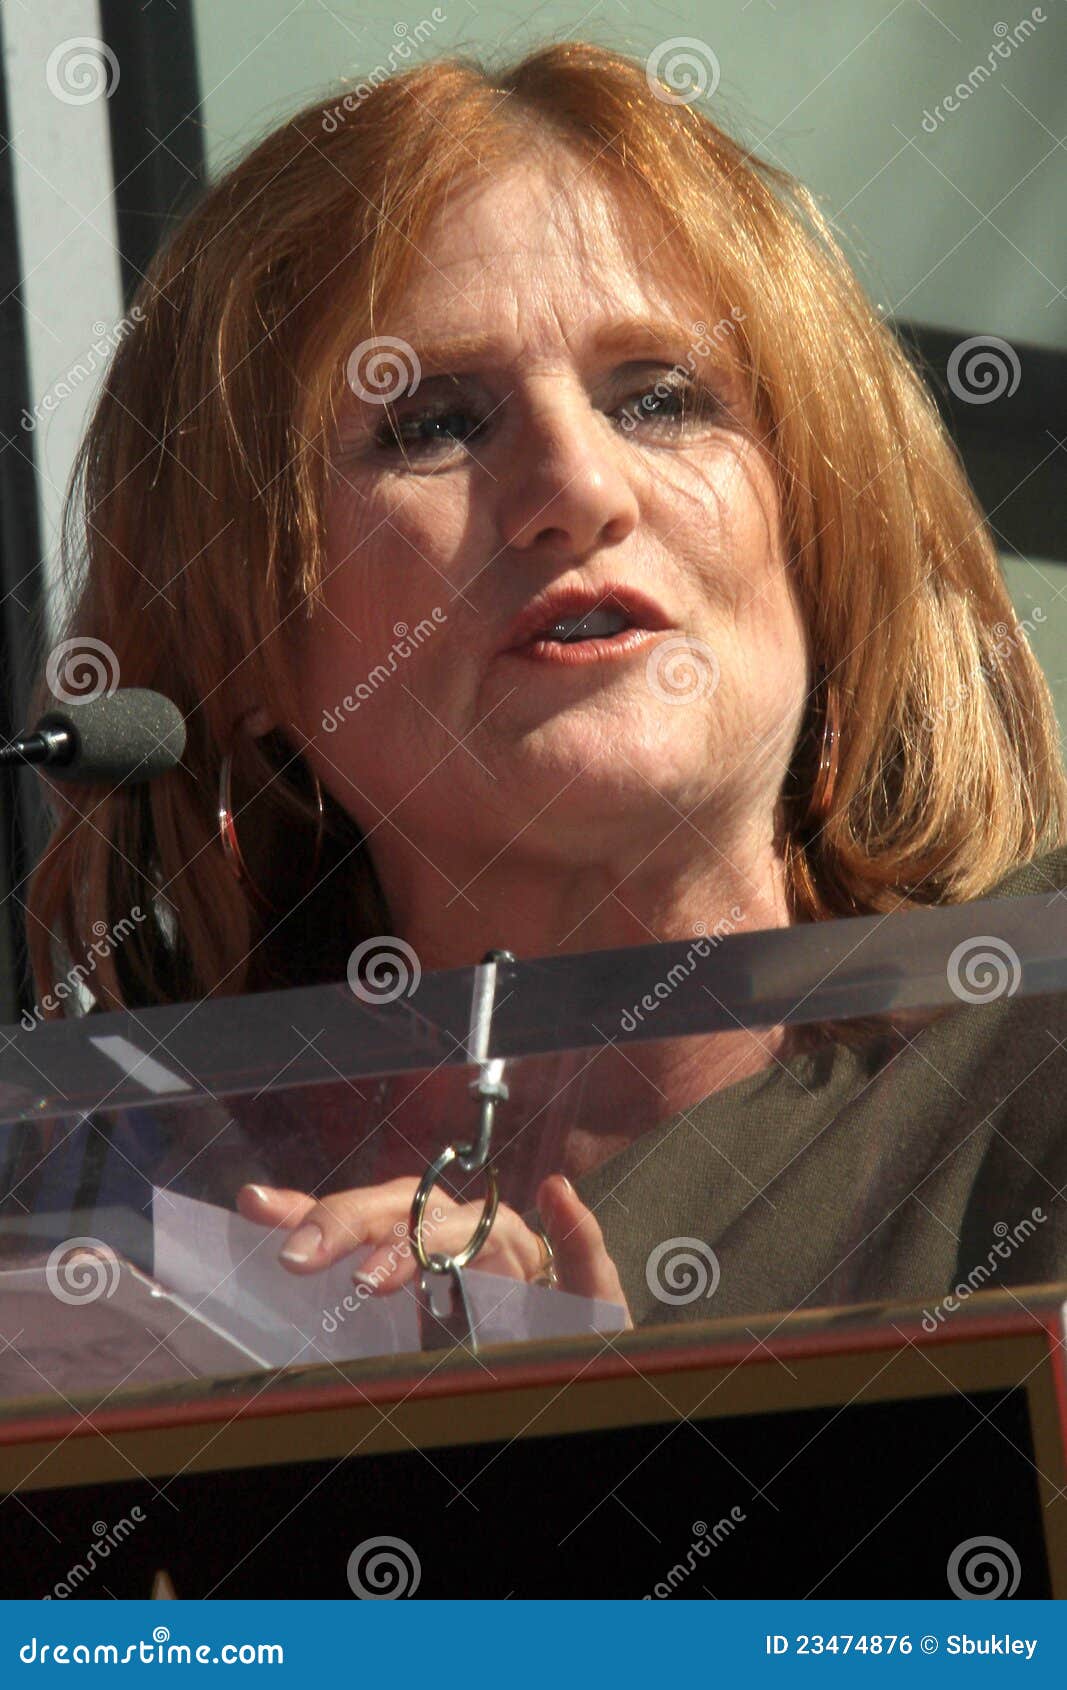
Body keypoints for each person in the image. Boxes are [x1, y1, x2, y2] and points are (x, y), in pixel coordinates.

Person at [25, 42, 1067, 1331]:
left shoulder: (1033, 1041)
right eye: (434, 424)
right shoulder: (106, 1227)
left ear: (819, 537)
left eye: (664, 398)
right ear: (240, 646)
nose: (578, 491)